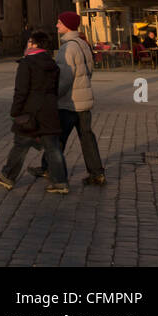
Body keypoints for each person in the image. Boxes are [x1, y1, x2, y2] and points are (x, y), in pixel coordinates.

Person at [30, 12, 106, 186]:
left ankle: (49, 169)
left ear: (67, 25)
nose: (56, 25)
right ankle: (97, 172)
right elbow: (89, 70)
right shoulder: (83, 44)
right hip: (84, 99)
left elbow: (63, 78)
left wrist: (52, 96)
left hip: (69, 102)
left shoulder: (67, 48)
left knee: (56, 138)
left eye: (59, 22)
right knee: (87, 137)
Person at [0, 30, 68, 194]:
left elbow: (21, 91)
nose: (27, 45)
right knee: (53, 147)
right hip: (49, 110)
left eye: (29, 42)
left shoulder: (27, 63)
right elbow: (55, 88)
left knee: (21, 144)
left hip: (30, 112)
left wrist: (15, 111)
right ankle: (60, 182)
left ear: (34, 44)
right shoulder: (52, 64)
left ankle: (8, 175)